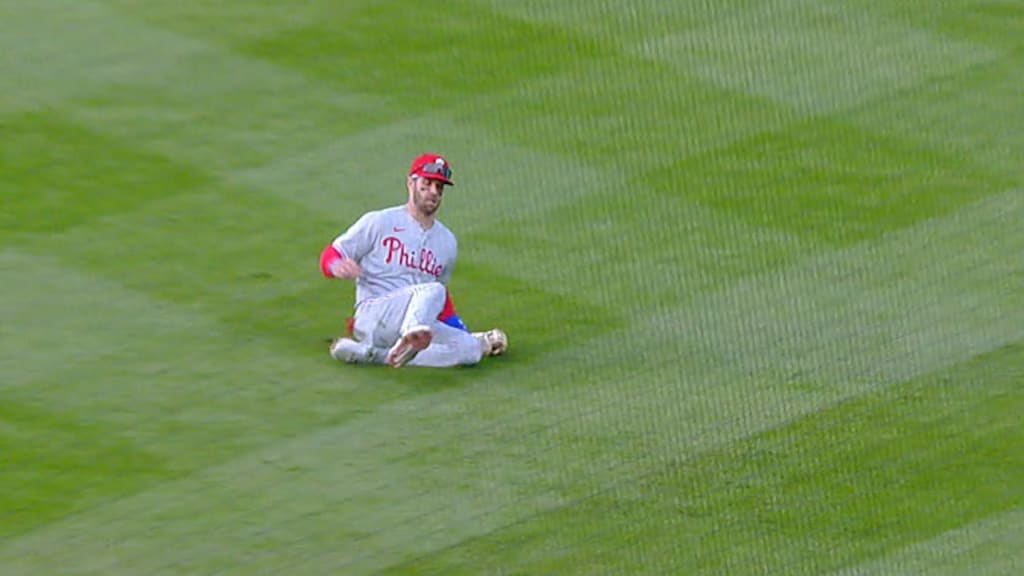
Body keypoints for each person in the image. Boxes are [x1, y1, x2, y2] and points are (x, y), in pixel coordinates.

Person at [320, 152, 507, 368]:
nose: (433, 192)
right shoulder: (380, 222)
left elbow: (441, 301)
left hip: (418, 322)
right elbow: (332, 253)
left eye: (439, 188)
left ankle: (375, 355)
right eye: (426, 184)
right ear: (411, 183)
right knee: (431, 291)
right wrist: (335, 266)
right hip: (374, 316)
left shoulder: (447, 241)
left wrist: (459, 331)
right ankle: (410, 335)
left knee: (470, 350)